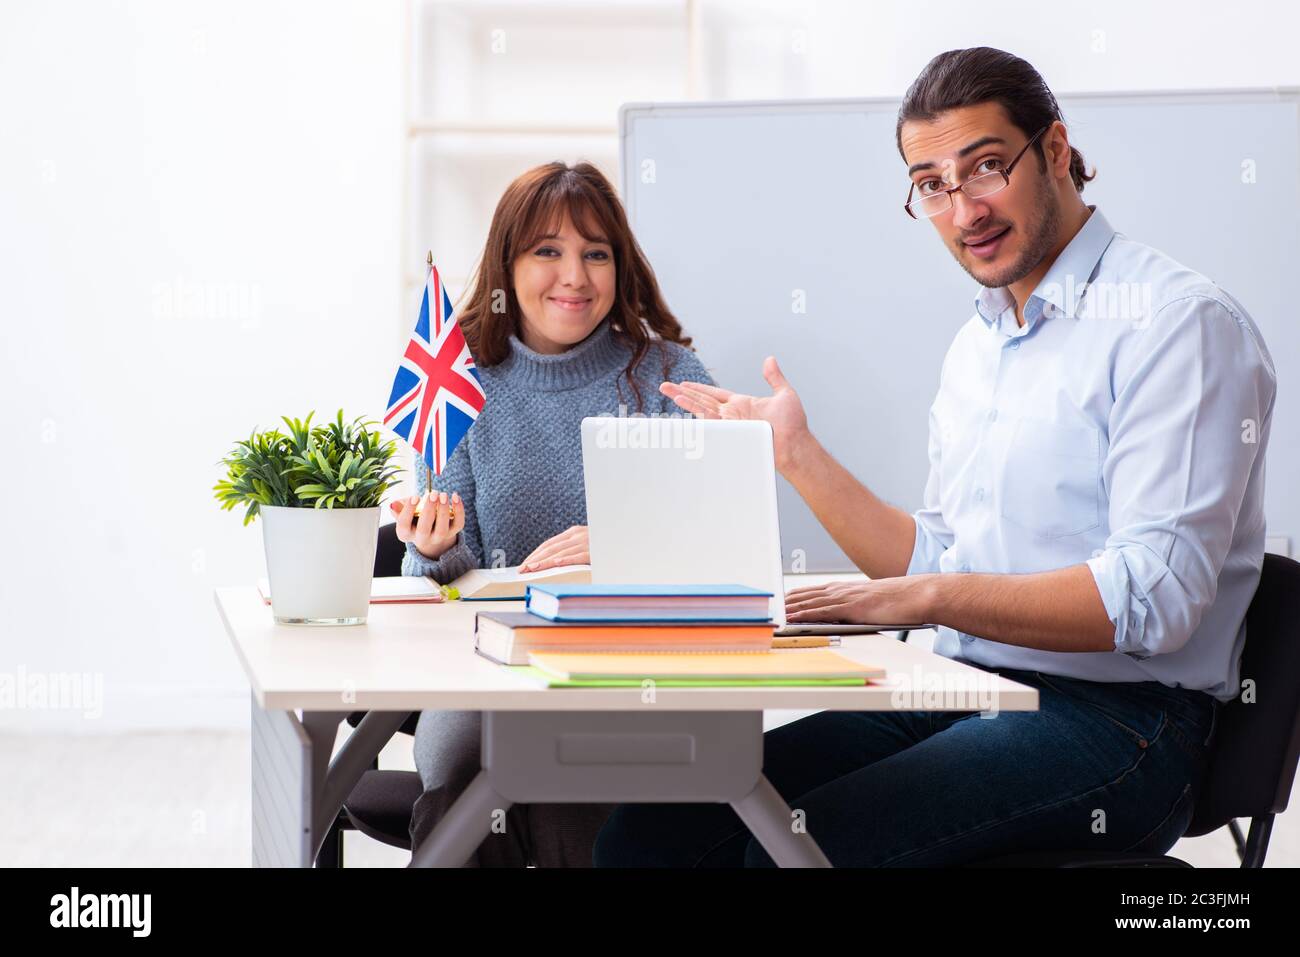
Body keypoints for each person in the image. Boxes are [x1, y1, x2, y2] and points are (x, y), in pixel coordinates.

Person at [595, 47, 1276, 867]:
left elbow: (1154, 598)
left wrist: (929, 594)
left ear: (1055, 150)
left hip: (1122, 720)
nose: (964, 210)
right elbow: (943, 556)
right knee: (652, 833)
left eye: (986, 167)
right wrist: (797, 455)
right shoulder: (980, 342)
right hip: (964, 688)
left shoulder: (1177, 325)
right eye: (931, 185)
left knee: (797, 851)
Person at [390, 161, 714, 865]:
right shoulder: (459, 385)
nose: (575, 275)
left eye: (596, 253)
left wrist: (623, 543)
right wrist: (436, 550)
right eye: (548, 251)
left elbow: (728, 544)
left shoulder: (671, 378)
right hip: (489, 695)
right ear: (507, 263)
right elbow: (440, 586)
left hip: (635, 693)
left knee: (577, 803)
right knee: (474, 805)